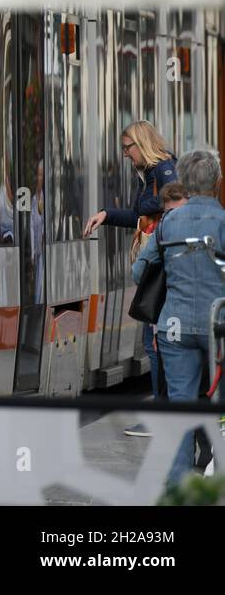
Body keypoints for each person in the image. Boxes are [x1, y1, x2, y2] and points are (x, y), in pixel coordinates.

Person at [131, 149, 225, 488]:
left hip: (175, 328)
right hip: (220, 329)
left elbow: (138, 272)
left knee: (180, 409)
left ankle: (178, 488)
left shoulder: (168, 223)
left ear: (183, 182)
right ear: (218, 182)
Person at [83, 120, 177, 413]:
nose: (125, 154)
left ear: (141, 144)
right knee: (153, 340)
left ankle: (166, 411)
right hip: (155, 264)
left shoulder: (164, 170)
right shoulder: (147, 174)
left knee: (155, 341)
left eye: (127, 148)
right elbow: (139, 215)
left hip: (162, 267)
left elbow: (170, 214)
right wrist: (106, 214)